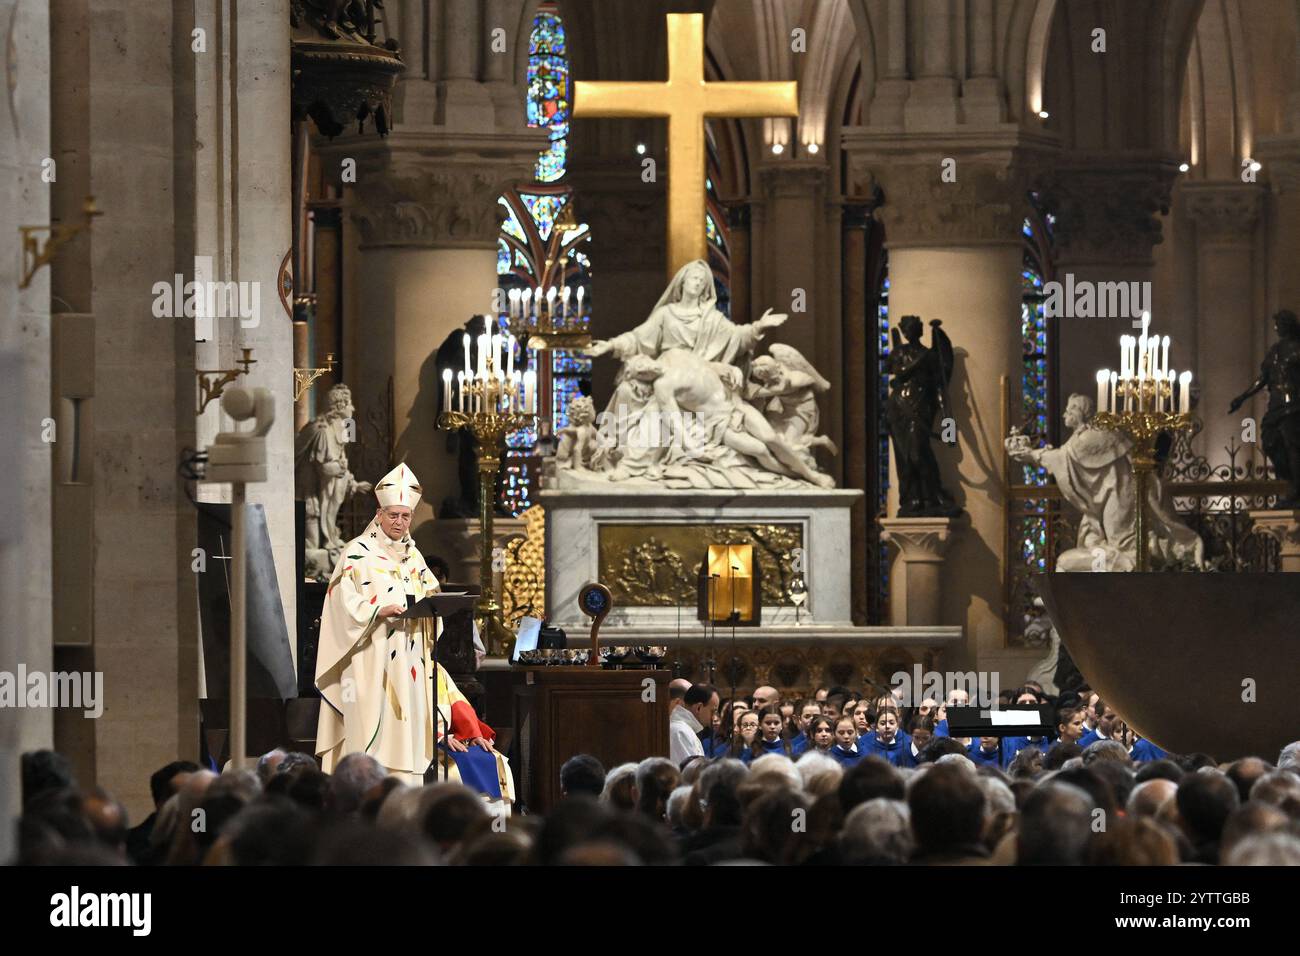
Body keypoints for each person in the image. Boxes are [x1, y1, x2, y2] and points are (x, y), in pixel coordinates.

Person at [314, 463, 513, 806]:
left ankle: (406, 805)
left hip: (411, 659)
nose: (400, 523)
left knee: (408, 738)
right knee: (372, 737)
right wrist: (377, 611)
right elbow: (339, 606)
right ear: (379, 513)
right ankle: (367, 802)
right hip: (369, 660)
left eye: (406, 516)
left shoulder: (414, 557)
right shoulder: (355, 554)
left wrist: (434, 609)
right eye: (393, 515)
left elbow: (431, 598)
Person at [670, 684, 718, 765]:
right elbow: (690, 773)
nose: (714, 718)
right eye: (713, 711)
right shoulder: (681, 732)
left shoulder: (685, 729)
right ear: (698, 708)